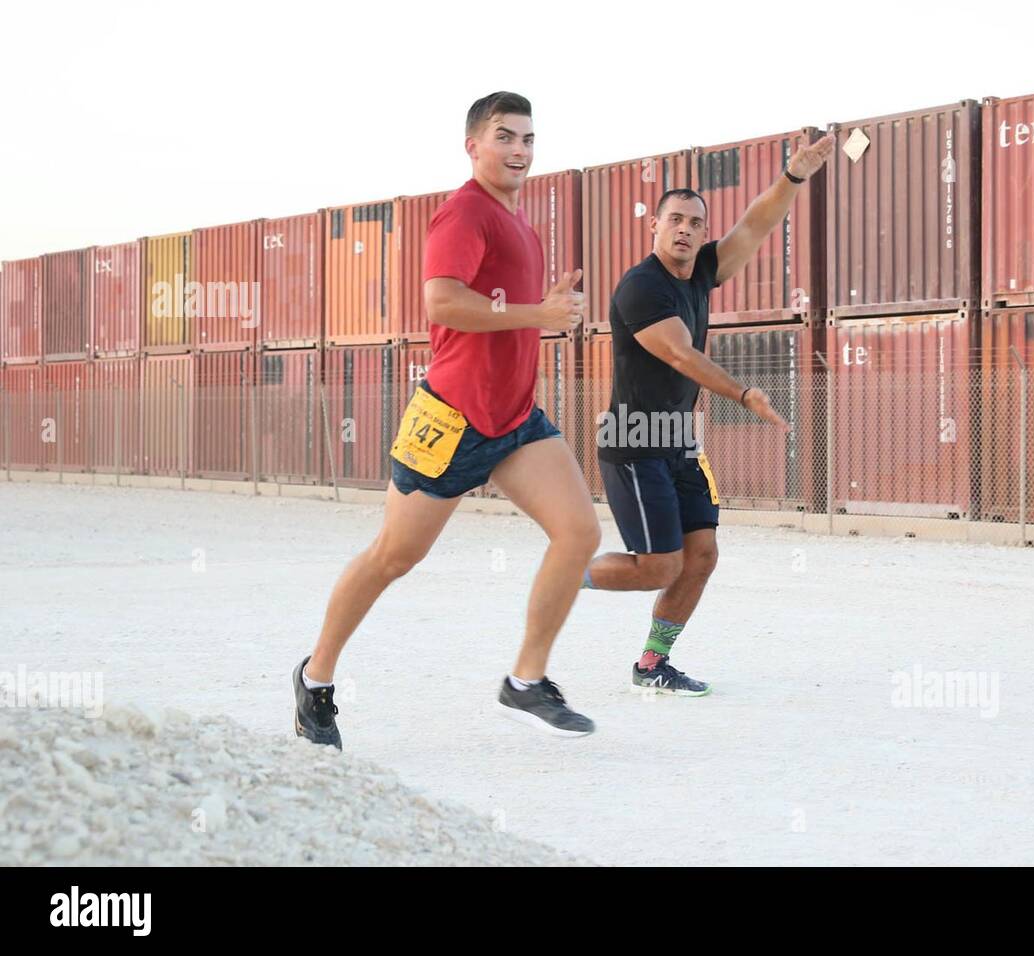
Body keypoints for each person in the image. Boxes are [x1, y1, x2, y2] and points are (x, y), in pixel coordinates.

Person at [293, 92, 601, 747]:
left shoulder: (523, 226)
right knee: (392, 558)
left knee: (577, 533)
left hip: (516, 420)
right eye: (504, 137)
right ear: (473, 146)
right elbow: (441, 301)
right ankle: (316, 680)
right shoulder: (464, 212)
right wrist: (534, 315)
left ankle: (525, 681)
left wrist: (547, 310)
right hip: (452, 420)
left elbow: (505, 316)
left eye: (528, 138)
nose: (519, 150)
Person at [584, 135, 835, 695]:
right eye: (675, 219)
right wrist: (744, 394)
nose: (685, 230)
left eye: (695, 223)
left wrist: (792, 177)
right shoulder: (641, 287)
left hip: (679, 444)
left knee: (700, 555)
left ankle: (651, 665)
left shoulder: (700, 272)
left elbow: (754, 227)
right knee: (658, 566)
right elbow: (679, 353)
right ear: (654, 226)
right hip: (633, 444)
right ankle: (562, 577)